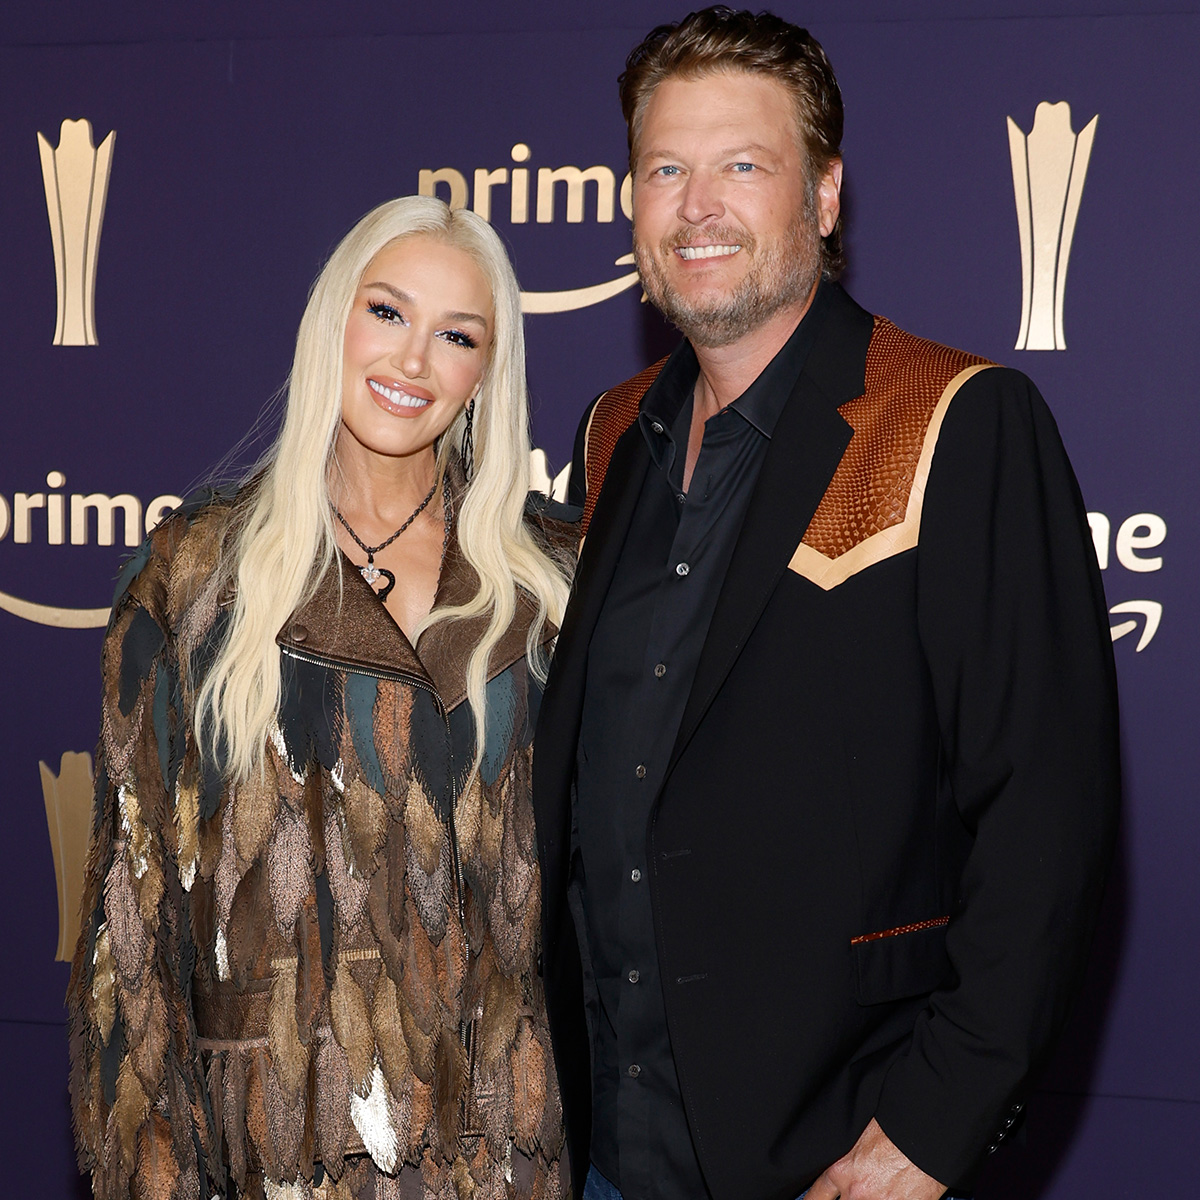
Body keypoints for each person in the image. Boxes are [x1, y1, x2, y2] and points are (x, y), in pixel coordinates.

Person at [532, 8, 1121, 1200]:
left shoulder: (955, 419)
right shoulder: (609, 435)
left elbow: (1046, 822)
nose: (697, 207)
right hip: (598, 1144)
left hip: (830, 1150)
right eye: (665, 170)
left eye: (743, 166)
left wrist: (929, 1133)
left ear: (827, 196)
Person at [67, 196, 575, 1200]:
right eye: (387, 312)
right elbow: (131, 925)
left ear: (486, 373)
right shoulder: (193, 577)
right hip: (276, 1152)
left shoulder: (555, 582)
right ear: (332, 318)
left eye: (457, 336)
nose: (413, 359)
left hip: (510, 1152)